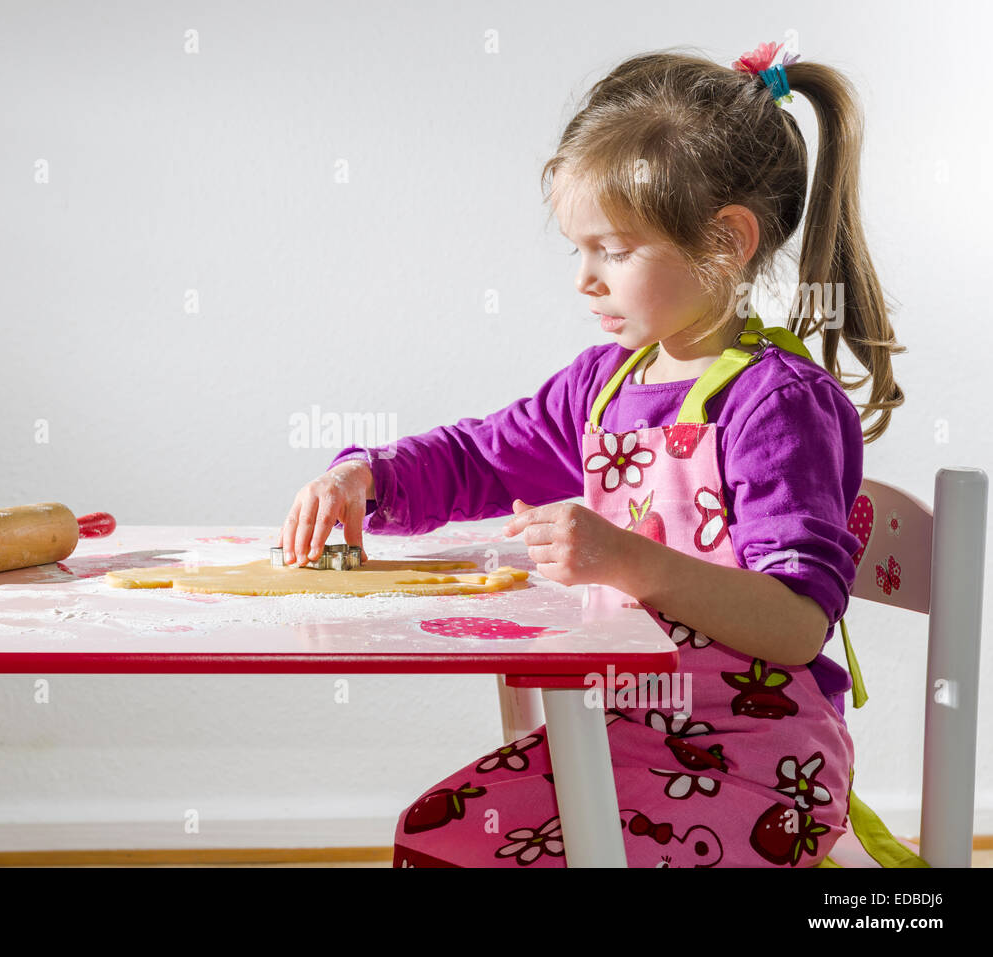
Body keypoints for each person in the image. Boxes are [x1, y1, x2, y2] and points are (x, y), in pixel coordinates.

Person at [278, 42, 910, 867]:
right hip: (631, 735)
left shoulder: (779, 405)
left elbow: (794, 624)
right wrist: (368, 476)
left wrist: (623, 557)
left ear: (726, 241)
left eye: (612, 249)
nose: (584, 279)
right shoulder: (605, 384)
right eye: (579, 249)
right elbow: (482, 457)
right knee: (435, 836)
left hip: (756, 769)